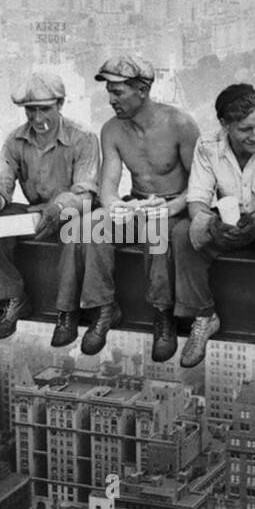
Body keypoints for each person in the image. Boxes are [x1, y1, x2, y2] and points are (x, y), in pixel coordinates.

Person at [173, 83, 255, 375]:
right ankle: (204, 316)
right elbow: (197, 200)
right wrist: (213, 225)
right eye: (245, 129)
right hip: (227, 223)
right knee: (181, 235)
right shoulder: (207, 147)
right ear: (225, 125)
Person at [0, 71, 101, 345]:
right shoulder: (15, 140)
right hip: (37, 213)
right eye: (31, 111)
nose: (38, 118)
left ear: (60, 105)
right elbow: (2, 185)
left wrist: (58, 208)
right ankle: (14, 296)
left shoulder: (83, 138)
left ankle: (67, 312)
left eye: (45, 109)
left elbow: (85, 190)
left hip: (73, 211)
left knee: (74, 234)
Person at [86, 55, 199, 359]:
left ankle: (163, 315)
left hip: (174, 206)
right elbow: (108, 186)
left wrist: (170, 207)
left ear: (142, 91)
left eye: (118, 92)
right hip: (137, 204)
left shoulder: (180, 124)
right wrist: (115, 207)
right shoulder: (111, 130)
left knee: (157, 234)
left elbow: (201, 185)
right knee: (90, 226)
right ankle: (104, 307)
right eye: (109, 91)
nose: (111, 100)